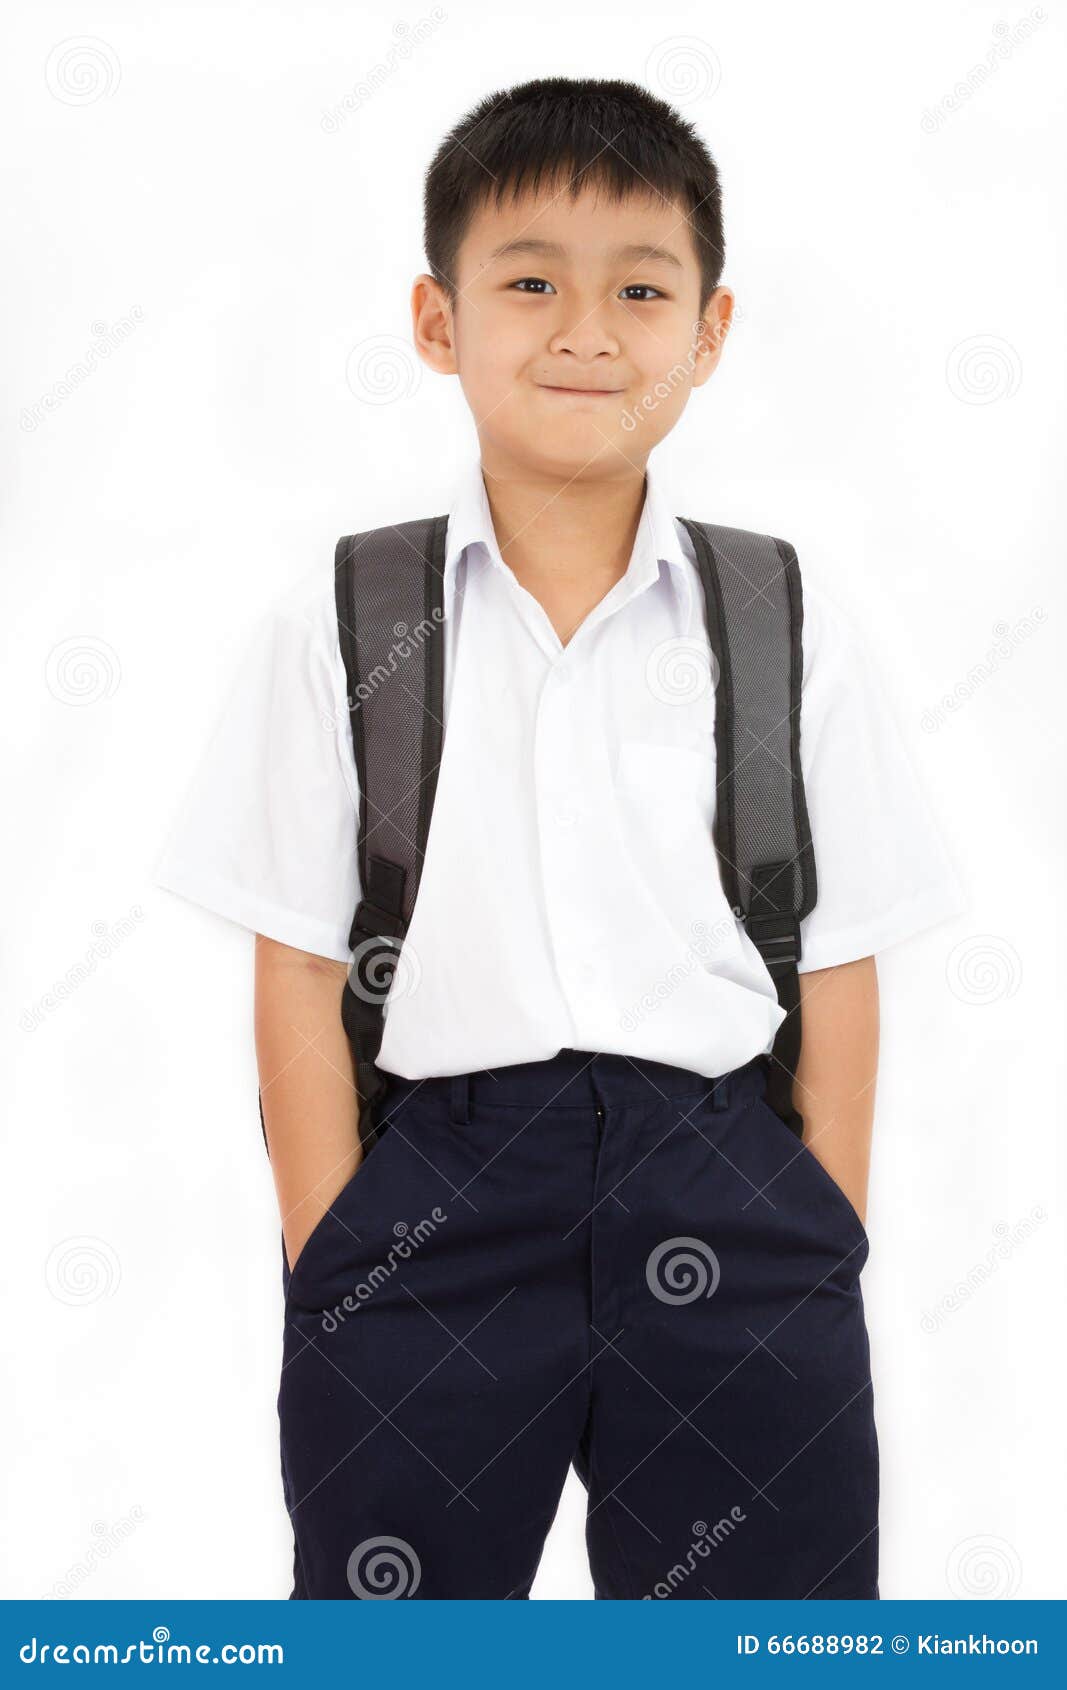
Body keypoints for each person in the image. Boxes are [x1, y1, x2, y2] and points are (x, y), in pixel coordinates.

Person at [154, 76, 965, 1600]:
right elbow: (297, 961)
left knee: (761, 1640)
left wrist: (819, 1227)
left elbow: (842, 960)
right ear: (437, 319)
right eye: (529, 283)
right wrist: (335, 1245)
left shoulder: (781, 616)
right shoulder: (348, 615)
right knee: (398, 1638)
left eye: (641, 290)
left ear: (709, 332)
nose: (586, 332)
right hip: (434, 1201)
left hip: (729, 1186)